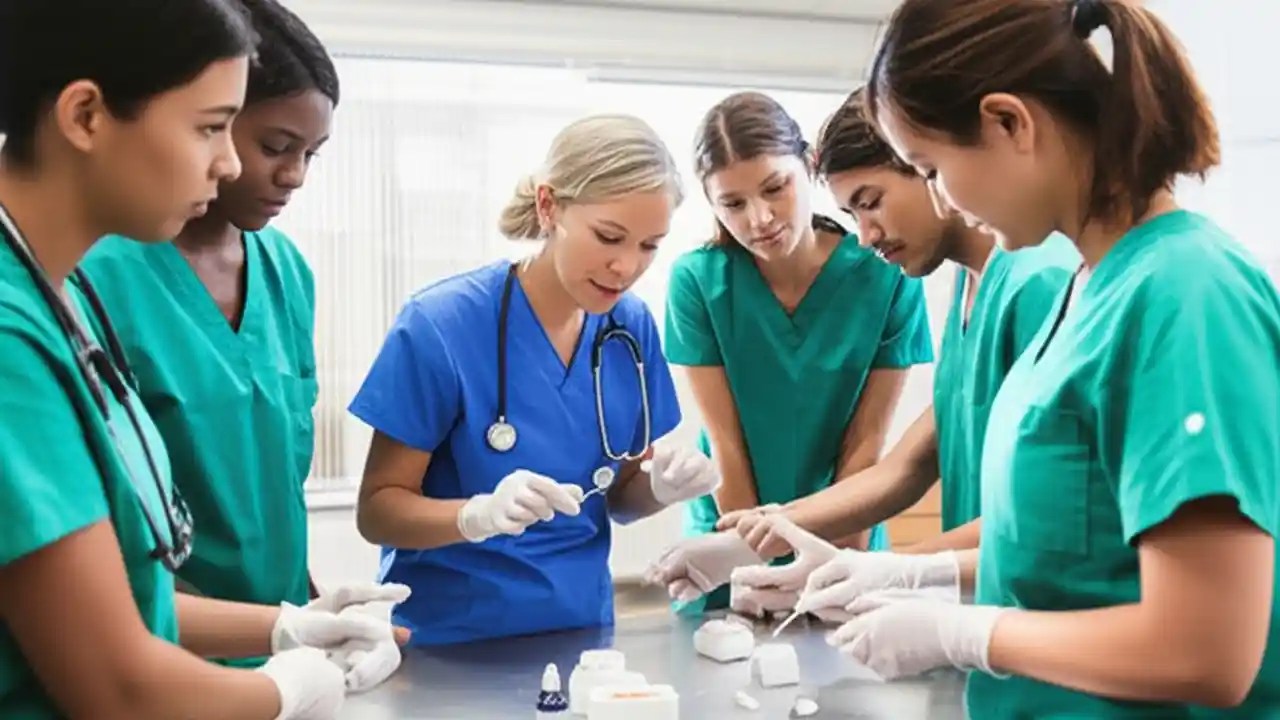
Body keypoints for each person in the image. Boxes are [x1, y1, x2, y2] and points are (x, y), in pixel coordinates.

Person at [749, 0, 1280, 716]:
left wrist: (967, 633)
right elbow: (1065, 559)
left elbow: (1205, 651)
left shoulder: (1185, 294)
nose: (941, 197)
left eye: (931, 167)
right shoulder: (1089, 290)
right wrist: (899, 575)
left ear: (1009, 122)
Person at [0, 2, 398, 718]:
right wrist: (284, 690)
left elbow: (126, 591)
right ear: (86, 116)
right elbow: (117, 685)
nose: (227, 161)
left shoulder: (53, 298)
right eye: (211, 126)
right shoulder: (13, 336)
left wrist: (288, 622)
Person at [348, 114, 721, 645]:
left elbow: (619, 500)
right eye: (609, 237)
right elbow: (379, 510)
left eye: (649, 245)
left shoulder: (630, 328)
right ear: (549, 207)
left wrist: (663, 489)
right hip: (450, 640)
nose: (626, 267)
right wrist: (477, 516)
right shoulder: (443, 324)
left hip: (582, 634)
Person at [716, 88, 1078, 589]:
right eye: (852, 216)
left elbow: (1049, 516)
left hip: (1042, 611)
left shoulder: (1041, 283)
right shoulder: (970, 290)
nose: (865, 236)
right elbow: (911, 464)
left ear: (927, 166)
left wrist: (885, 572)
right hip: (992, 603)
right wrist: (774, 524)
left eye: (872, 203)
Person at [656, 91, 934, 614]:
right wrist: (745, 559)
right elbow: (726, 444)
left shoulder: (885, 272)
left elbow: (866, 443)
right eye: (733, 204)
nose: (759, 218)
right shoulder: (697, 282)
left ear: (808, 167)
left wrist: (834, 559)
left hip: (844, 532)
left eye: (774, 188)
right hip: (727, 534)